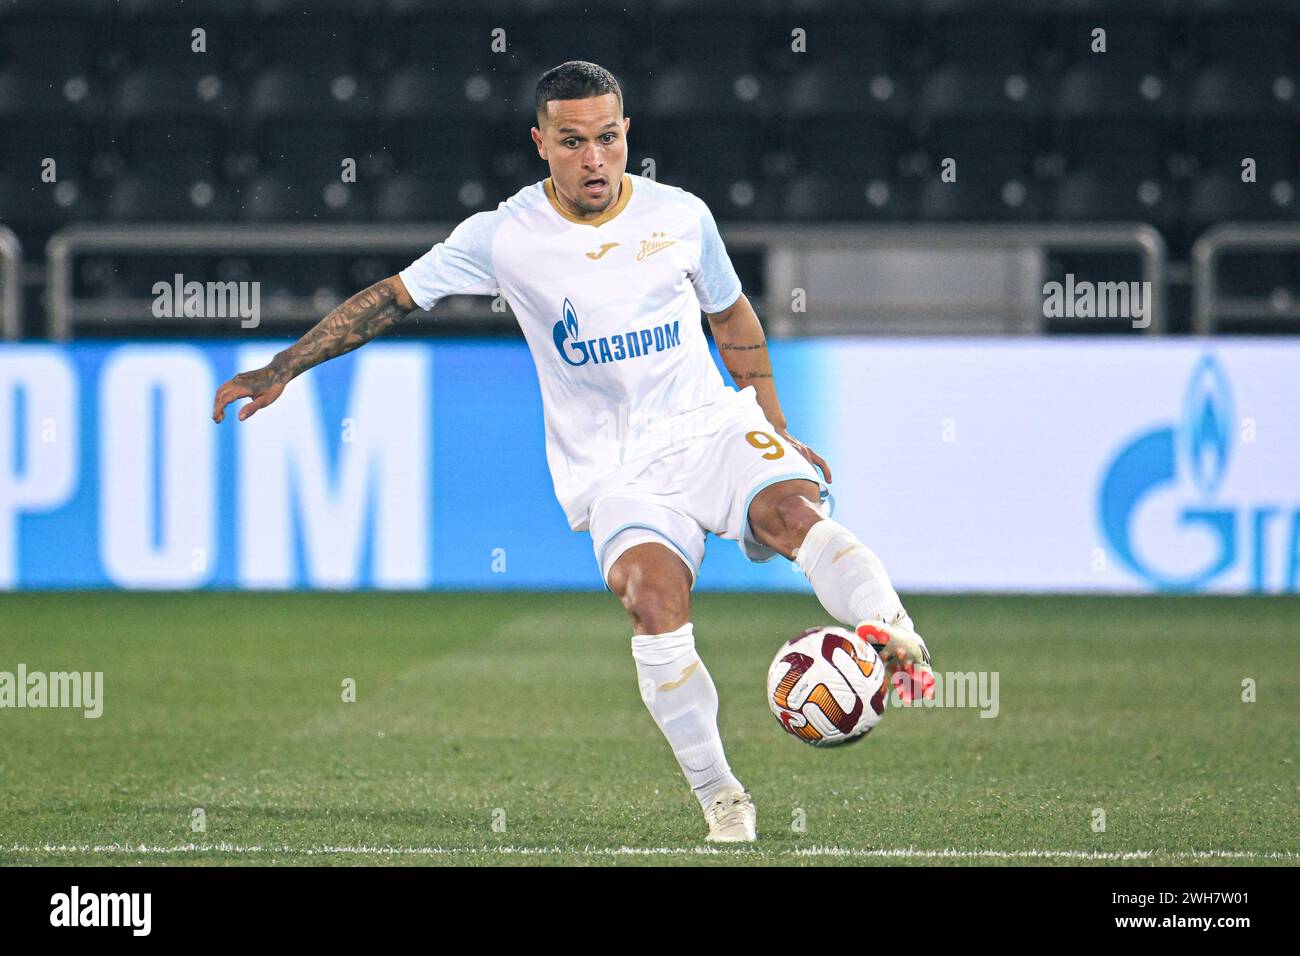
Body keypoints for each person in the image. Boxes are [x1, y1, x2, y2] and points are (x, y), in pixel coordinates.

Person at [213, 60, 933, 843]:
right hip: (615, 470)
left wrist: (773, 420)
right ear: (540, 144)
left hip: (711, 428)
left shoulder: (682, 216)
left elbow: (732, 319)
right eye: (574, 141)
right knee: (651, 602)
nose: (595, 158)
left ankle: (896, 635)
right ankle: (723, 795)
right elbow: (393, 297)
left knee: (793, 508)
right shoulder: (503, 236)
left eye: (610, 138)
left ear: (628, 136)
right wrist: (282, 365)